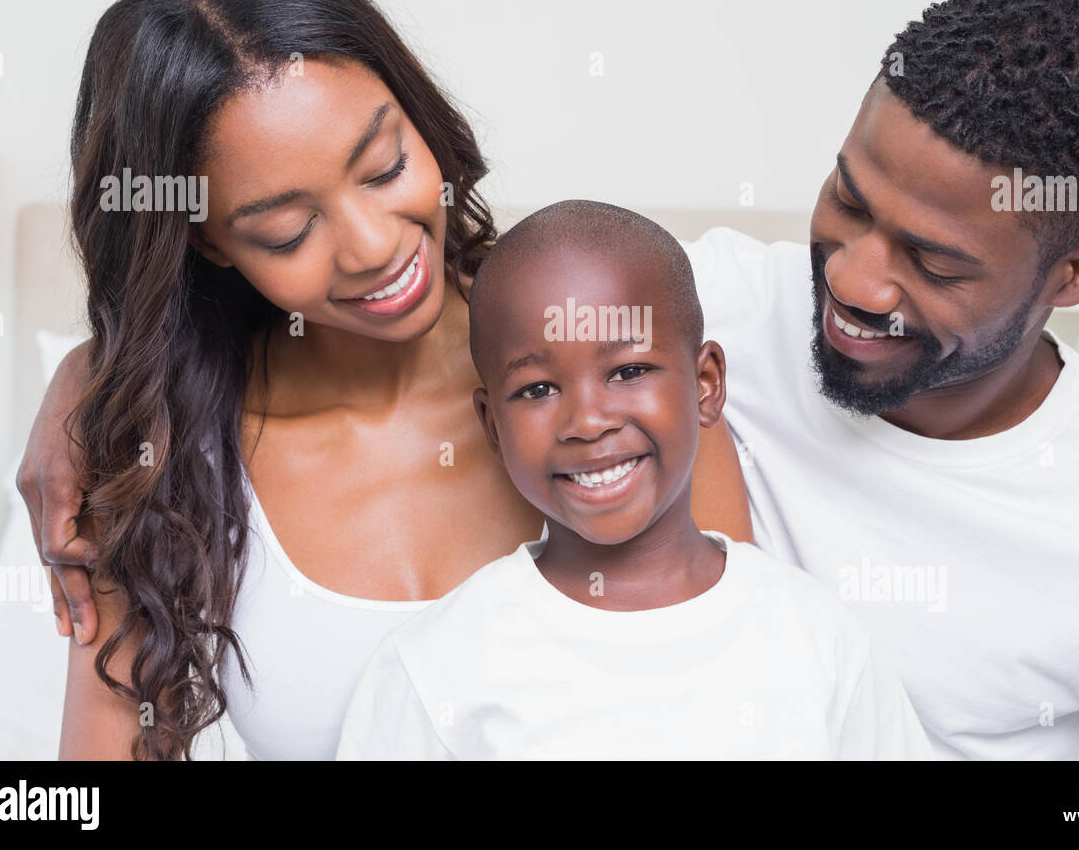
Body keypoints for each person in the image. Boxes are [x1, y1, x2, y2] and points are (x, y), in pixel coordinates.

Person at [22, 0, 750, 760]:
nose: (372, 247)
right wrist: (94, 376)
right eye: (289, 230)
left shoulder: (627, 368)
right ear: (211, 244)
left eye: (383, 166)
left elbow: (752, 684)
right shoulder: (155, 462)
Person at [682, 0, 1079, 758]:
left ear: (1077, 273)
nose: (852, 280)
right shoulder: (691, 311)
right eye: (849, 200)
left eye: (932, 262)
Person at [336, 200, 932, 760]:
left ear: (705, 384)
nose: (588, 421)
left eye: (628, 370)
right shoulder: (434, 665)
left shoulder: (822, 642)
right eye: (537, 389)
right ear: (492, 426)